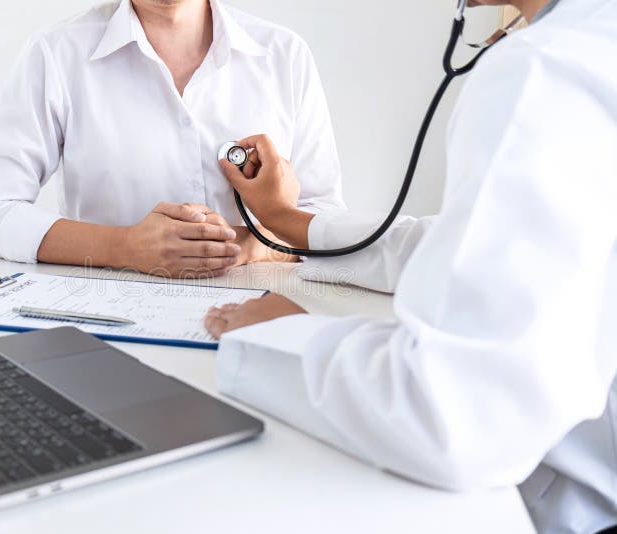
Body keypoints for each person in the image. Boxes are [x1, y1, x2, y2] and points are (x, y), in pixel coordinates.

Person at [204, 0, 617, 532]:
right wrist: (288, 221)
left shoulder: (546, 70)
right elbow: (475, 244)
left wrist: (282, 335)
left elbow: (458, 415)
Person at [0, 0, 344, 278]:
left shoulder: (283, 54)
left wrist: (246, 247)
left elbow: (328, 222)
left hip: (254, 325)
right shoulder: (57, 52)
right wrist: (125, 247)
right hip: (109, 324)